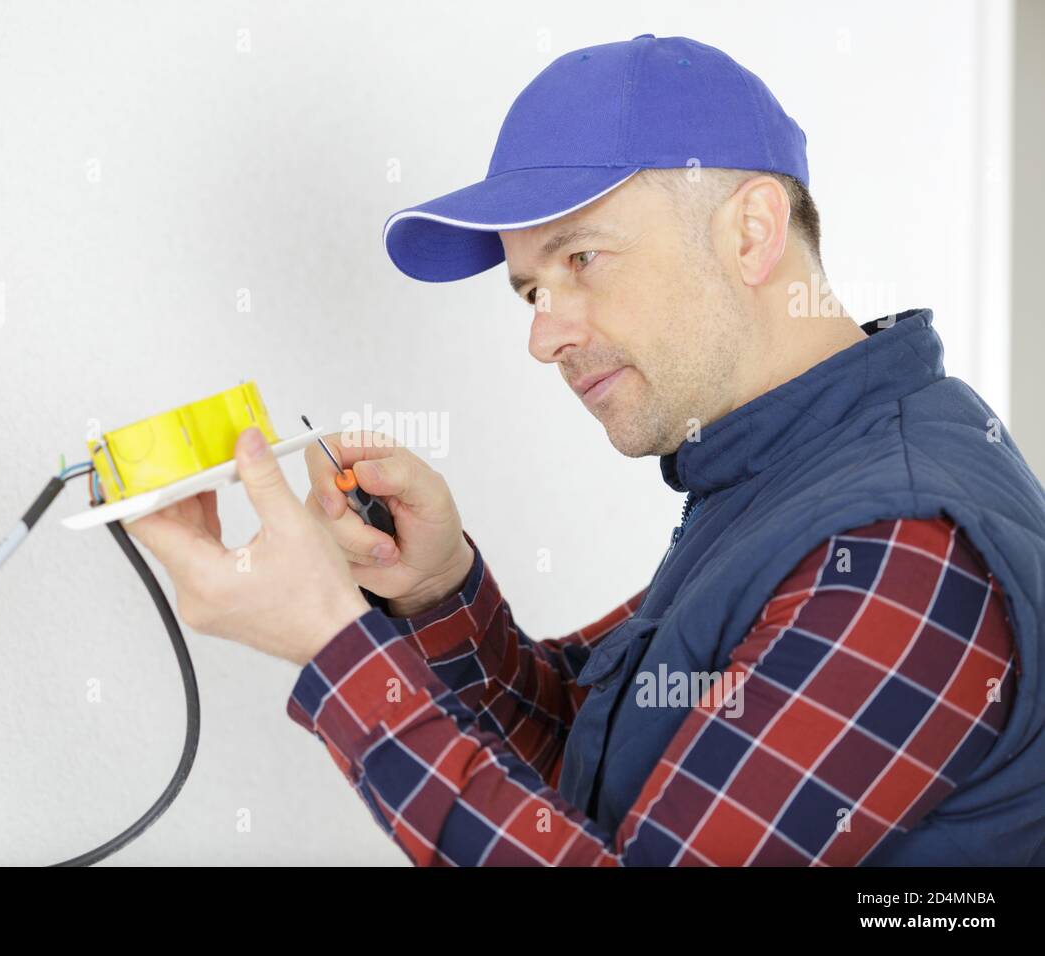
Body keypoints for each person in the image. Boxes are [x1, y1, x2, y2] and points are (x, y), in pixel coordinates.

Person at [127, 35, 1045, 866]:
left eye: (581, 260)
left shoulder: (902, 548)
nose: (545, 336)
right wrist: (436, 590)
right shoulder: (783, 476)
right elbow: (602, 775)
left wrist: (333, 642)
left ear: (752, 232)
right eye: (533, 290)